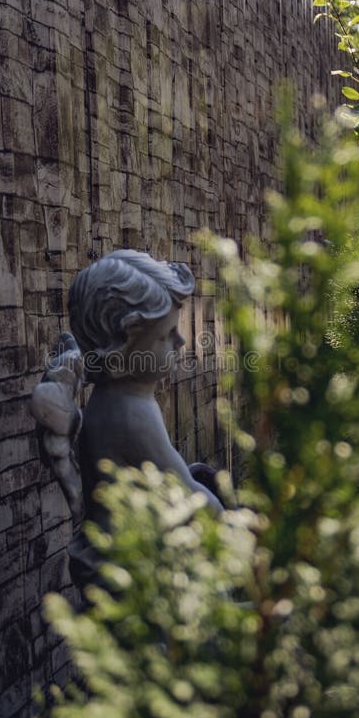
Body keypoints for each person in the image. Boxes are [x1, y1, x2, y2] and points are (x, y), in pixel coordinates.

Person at [33, 249, 224, 590]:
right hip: (128, 574)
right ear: (122, 349)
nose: (181, 341)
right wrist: (224, 520)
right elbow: (187, 495)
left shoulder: (121, 399)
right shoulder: (130, 413)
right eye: (167, 335)